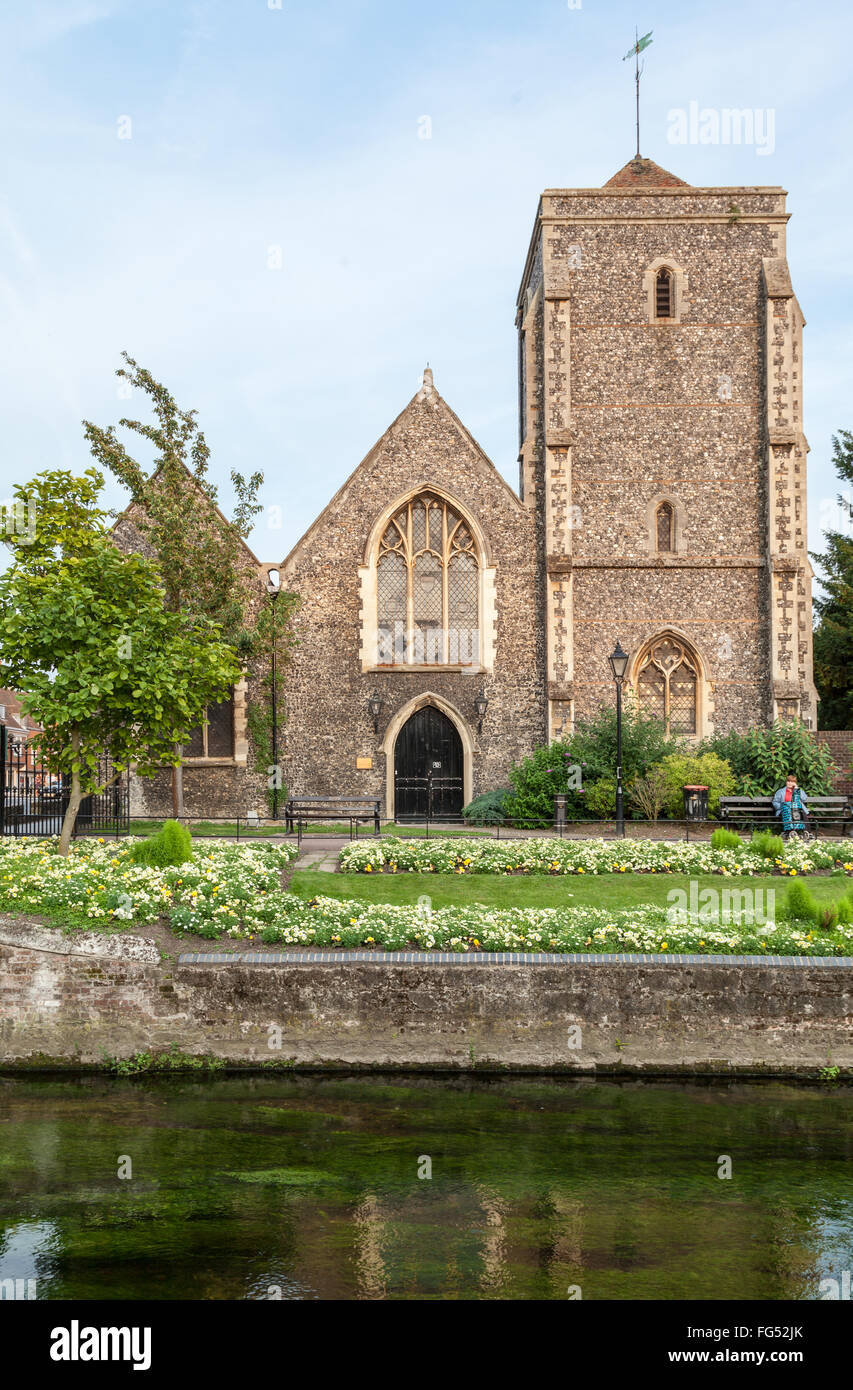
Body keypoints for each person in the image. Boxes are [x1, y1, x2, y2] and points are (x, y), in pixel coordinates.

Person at [772, 773, 809, 839]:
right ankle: (790, 832)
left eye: (792, 782)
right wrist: (783, 806)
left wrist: (797, 789)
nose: (789, 783)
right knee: (788, 812)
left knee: (803, 813)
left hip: (796, 808)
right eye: (788, 781)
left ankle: (807, 832)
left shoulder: (798, 790)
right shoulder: (781, 791)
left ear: (794, 783)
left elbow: (804, 798)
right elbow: (775, 802)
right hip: (784, 809)